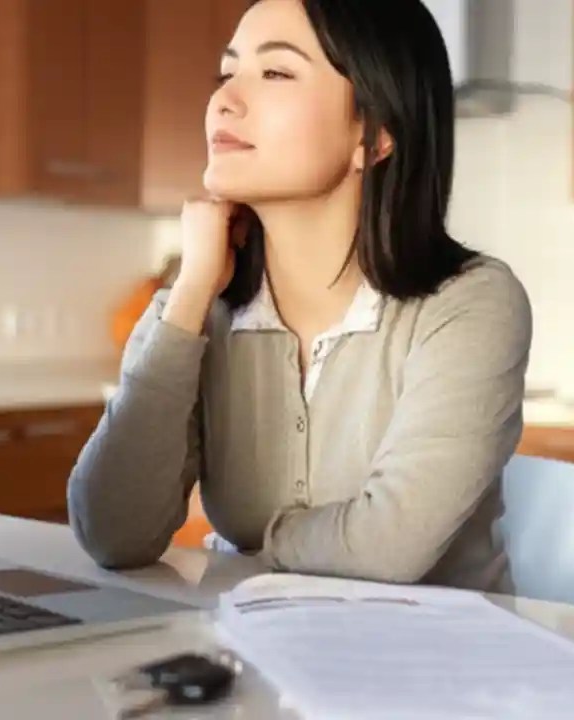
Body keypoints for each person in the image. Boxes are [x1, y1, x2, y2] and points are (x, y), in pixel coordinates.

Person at [67, 0, 532, 592]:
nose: (224, 101)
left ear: (376, 134)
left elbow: (388, 548)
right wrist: (187, 296)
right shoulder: (209, 306)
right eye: (226, 73)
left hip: (436, 670)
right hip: (261, 657)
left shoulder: (472, 304)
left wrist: (254, 546)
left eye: (276, 73)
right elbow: (111, 531)